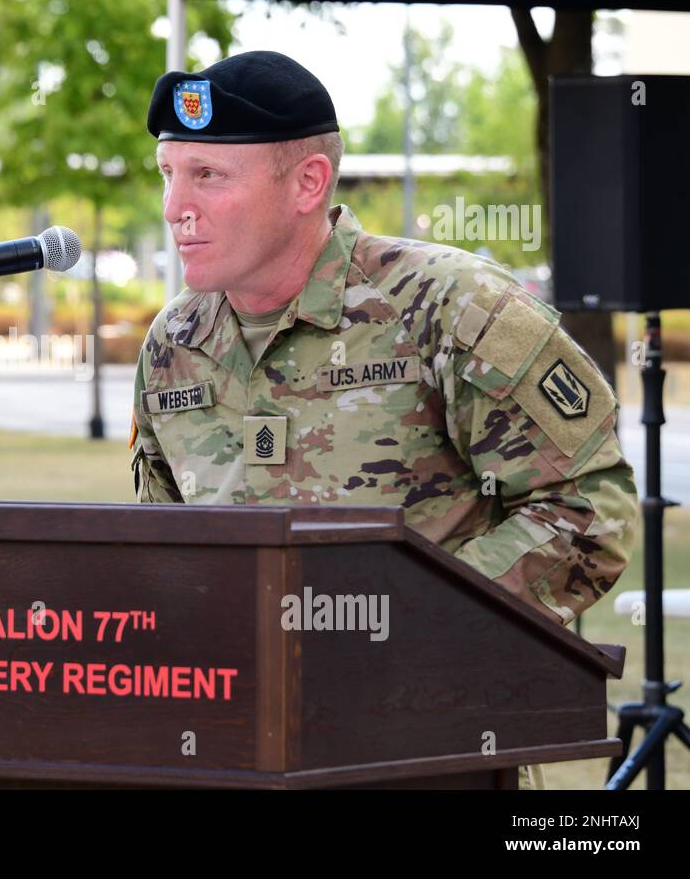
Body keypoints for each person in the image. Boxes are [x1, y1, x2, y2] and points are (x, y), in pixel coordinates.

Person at [130, 51, 639, 790]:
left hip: (426, 749)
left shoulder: (450, 306)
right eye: (167, 172)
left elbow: (590, 508)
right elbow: (164, 548)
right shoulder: (174, 345)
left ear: (307, 183)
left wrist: (404, 629)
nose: (177, 204)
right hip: (237, 753)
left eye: (208, 175)